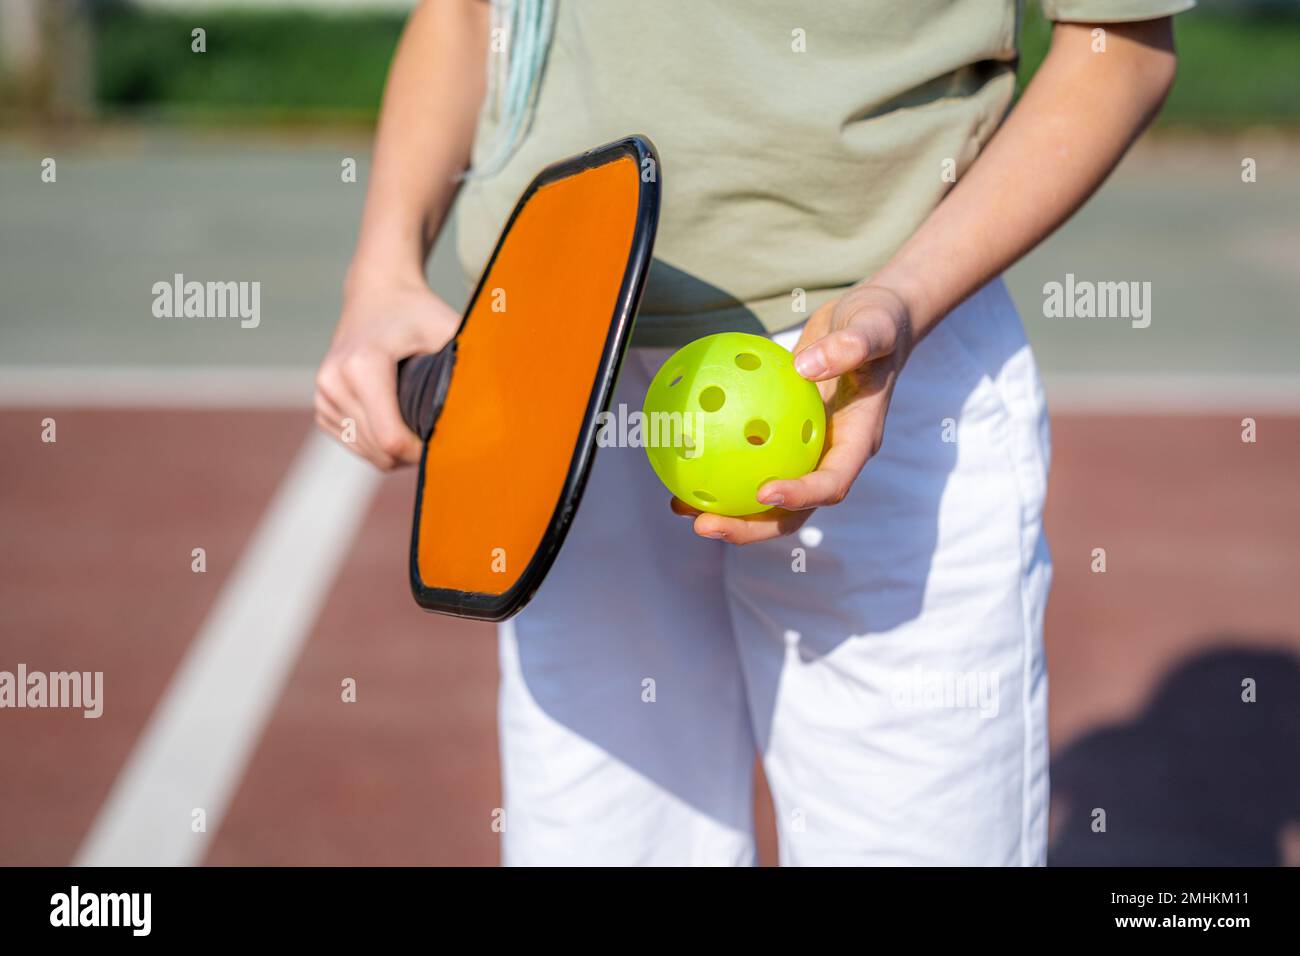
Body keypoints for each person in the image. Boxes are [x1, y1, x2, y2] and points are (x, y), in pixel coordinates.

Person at [315, 0, 1191, 865]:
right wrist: (381, 267)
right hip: (552, 356)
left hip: (876, 355)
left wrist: (901, 300)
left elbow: (1118, 42)